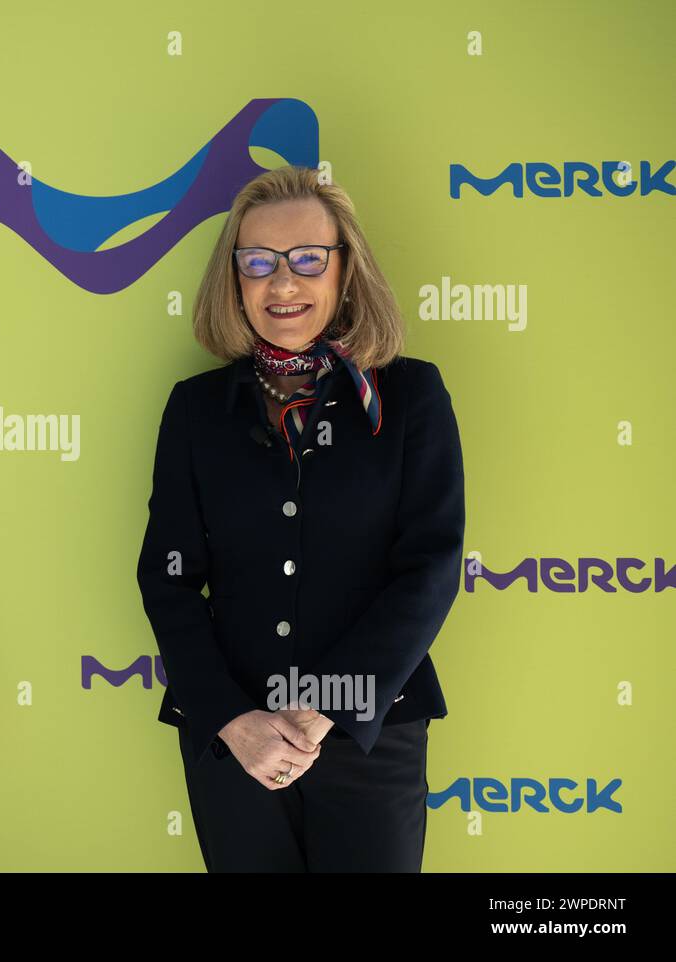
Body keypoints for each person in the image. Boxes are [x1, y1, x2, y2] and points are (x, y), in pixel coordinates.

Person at [136, 165, 464, 872]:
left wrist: (323, 709)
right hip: (236, 745)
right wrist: (232, 721)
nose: (282, 284)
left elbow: (430, 571)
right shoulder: (196, 412)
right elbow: (168, 580)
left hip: (372, 737)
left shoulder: (411, 398)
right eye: (258, 263)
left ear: (345, 271)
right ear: (235, 278)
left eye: (307, 260)